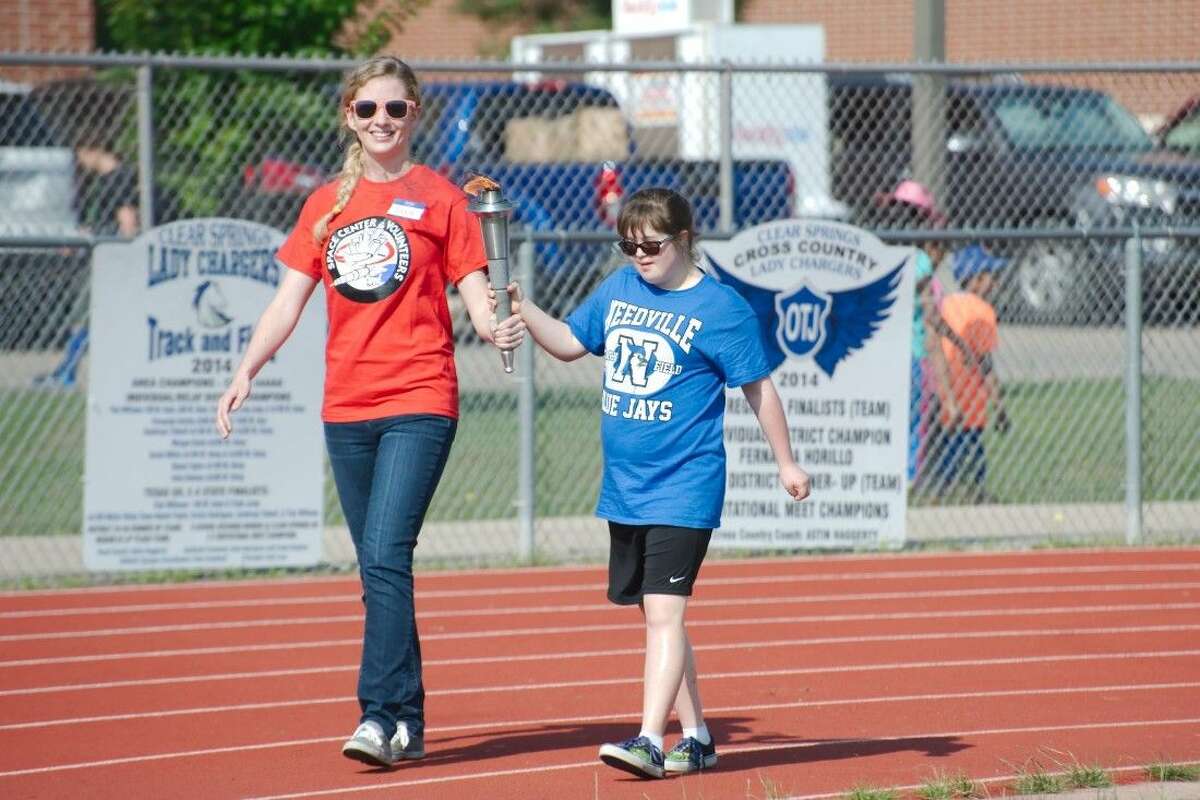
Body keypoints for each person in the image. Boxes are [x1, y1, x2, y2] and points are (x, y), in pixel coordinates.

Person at [214, 55, 525, 768]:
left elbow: (477, 296)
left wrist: (494, 325)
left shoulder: (443, 199)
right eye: (367, 110)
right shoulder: (323, 204)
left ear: (415, 116)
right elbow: (287, 301)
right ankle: (409, 718)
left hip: (420, 397)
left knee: (386, 554)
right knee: (377, 567)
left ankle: (378, 717)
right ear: (348, 116)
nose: (381, 121)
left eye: (395, 109)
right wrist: (245, 369)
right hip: (345, 405)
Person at [510, 187, 811, 779]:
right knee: (657, 613)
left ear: (683, 239)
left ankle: (650, 739)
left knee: (663, 616)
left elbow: (759, 387)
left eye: (649, 245)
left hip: (685, 485)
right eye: (628, 245)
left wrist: (786, 462)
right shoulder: (621, 288)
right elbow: (571, 343)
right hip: (627, 487)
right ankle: (696, 737)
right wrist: (525, 311)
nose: (638, 255)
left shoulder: (721, 309)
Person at [871, 179, 972, 494]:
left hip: (878, 359)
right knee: (914, 426)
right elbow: (929, 325)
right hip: (913, 358)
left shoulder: (876, 257)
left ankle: (884, 481)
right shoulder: (920, 261)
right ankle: (907, 482)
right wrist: (949, 397)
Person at [932, 243, 1011, 503]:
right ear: (975, 280)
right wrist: (999, 405)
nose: (996, 284)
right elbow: (986, 365)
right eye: (991, 277)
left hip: (943, 397)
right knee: (974, 454)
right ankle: (976, 492)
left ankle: (944, 493)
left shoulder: (944, 304)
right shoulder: (984, 312)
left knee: (946, 453)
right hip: (972, 403)